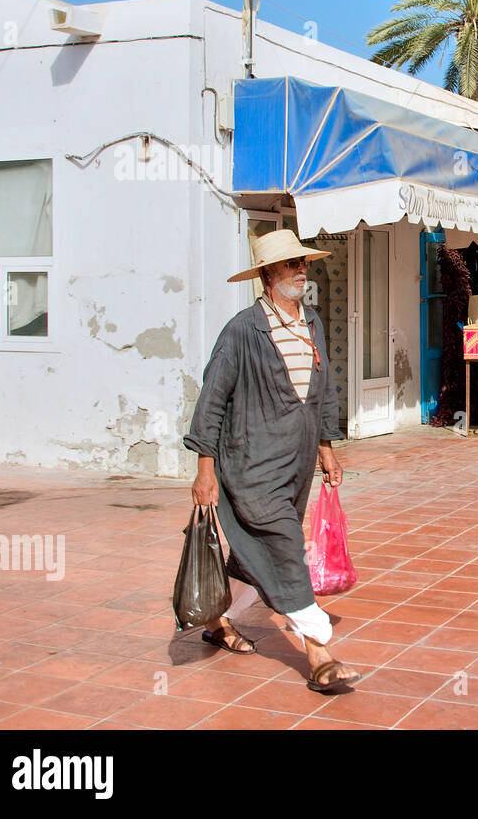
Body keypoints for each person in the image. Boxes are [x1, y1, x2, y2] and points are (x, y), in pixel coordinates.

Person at [183, 229, 359, 693]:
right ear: (266, 276)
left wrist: (326, 448)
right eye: (289, 265)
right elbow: (212, 399)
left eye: (303, 264)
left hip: (296, 463)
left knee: (253, 548)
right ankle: (320, 654)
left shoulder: (312, 323)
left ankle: (216, 619)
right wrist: (205, 470)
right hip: (250, 464)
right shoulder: (243, 329)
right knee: (284, 546)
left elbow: (324, 392)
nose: (301, 272)